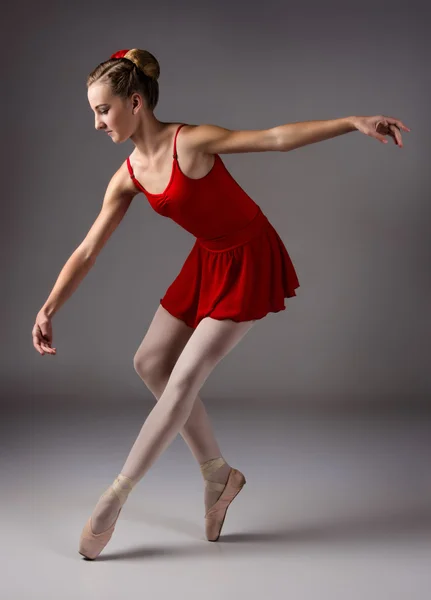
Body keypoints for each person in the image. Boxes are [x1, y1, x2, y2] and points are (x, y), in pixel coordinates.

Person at [31, 48, 409, 560]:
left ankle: (113, 499)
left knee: (183, 380)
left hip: (249, 257)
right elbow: (87, 250)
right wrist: (49, 308)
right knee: (149, 363)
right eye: (93, 112)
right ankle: (219, 474)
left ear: (135, 101)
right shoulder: (129, 175)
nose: (97, 122)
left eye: (103, 110)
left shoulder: (193, 142)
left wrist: (351, 122)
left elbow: (275, 139)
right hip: (207, 260)